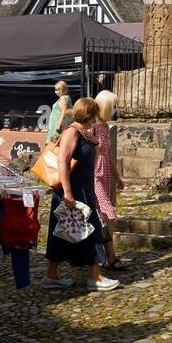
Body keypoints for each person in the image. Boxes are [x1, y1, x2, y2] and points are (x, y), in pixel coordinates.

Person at [42, 97, 118, 291]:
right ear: (91, 114)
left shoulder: (84, 134)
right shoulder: (72, 132)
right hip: (73, 191)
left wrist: (96, 145)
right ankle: (96, 276)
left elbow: (89, 161)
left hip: (82, 189)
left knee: (62, 232)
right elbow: (62, 161)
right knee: (90, 229)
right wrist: (67, 191)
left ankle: (52, 275)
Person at [91, 89, 128, 271]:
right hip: (95, 174)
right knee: (108, 213)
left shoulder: (105, 127)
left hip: (104, 173)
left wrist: (117, 178)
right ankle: (109, 255)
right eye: (113, 105)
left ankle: (105, 254)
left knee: (103, 214)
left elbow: (110, 156)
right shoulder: (94, 126)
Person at [45, 80, 71, 146]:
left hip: (57, 127)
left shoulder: (63, 99)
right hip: (56, 126)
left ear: (61, 89)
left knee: (52, 146)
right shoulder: (66, 98)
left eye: (57, 90)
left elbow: (63, 112)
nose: (56, 91)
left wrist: (59, 125)